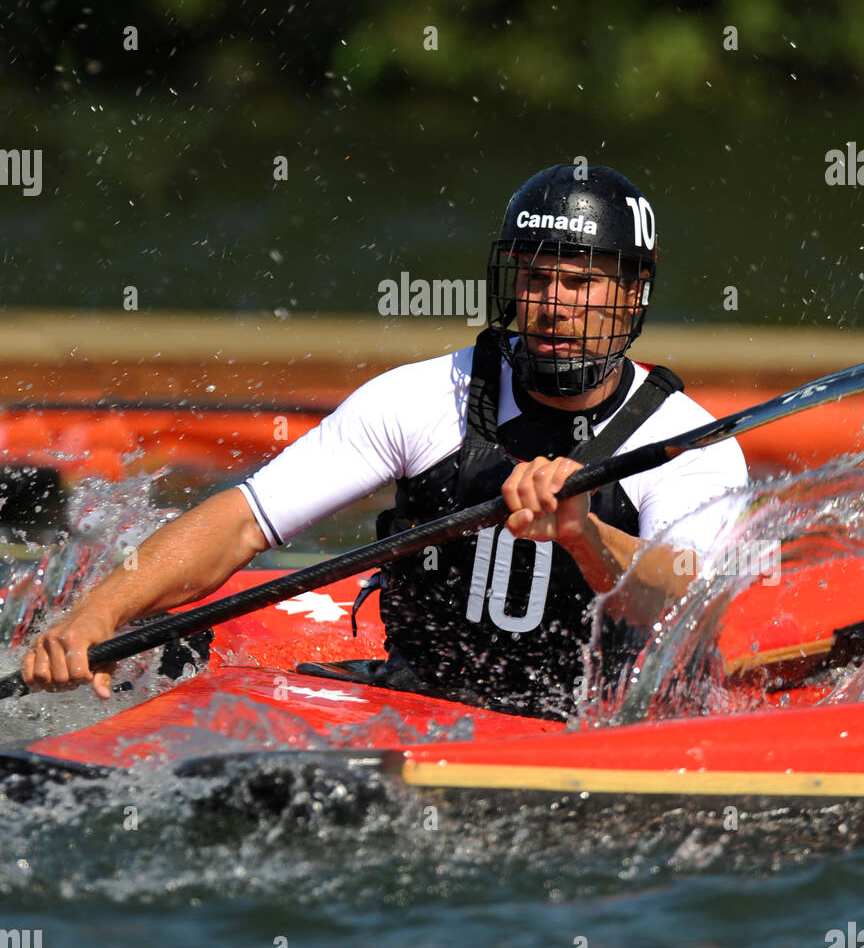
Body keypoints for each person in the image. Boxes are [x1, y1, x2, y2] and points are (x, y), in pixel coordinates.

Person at [22, 164, 748, 718]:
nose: (552, 304)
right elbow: (246, 519)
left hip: (595, 723)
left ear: (635, 288)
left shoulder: (688, 441)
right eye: (534, 277)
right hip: (418, 704)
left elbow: (686, 598)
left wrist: (584, 534)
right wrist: (98, 613)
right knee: (167, 647)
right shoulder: (424, 397)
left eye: (580, 282)